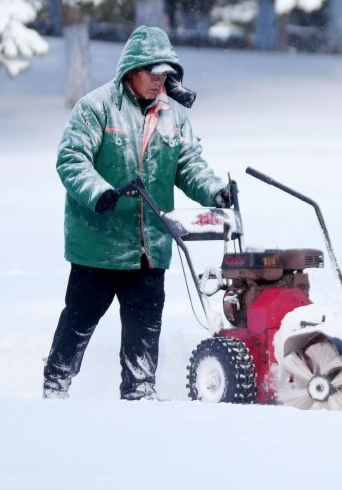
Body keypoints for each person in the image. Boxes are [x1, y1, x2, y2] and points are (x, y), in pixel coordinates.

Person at [43, 26, 231, 400]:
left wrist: (215, 190)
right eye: (152, 73)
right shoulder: (97, 108)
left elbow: (189, 165)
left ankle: (139, 395)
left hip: (150, 247)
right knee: (78, 323)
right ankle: (55, 384)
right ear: (131, 69)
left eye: (165, 75)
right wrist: (100, 193)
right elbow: (71, 158)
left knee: (144, 333)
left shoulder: (173, 117)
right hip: (98, 247)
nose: (158, 82)